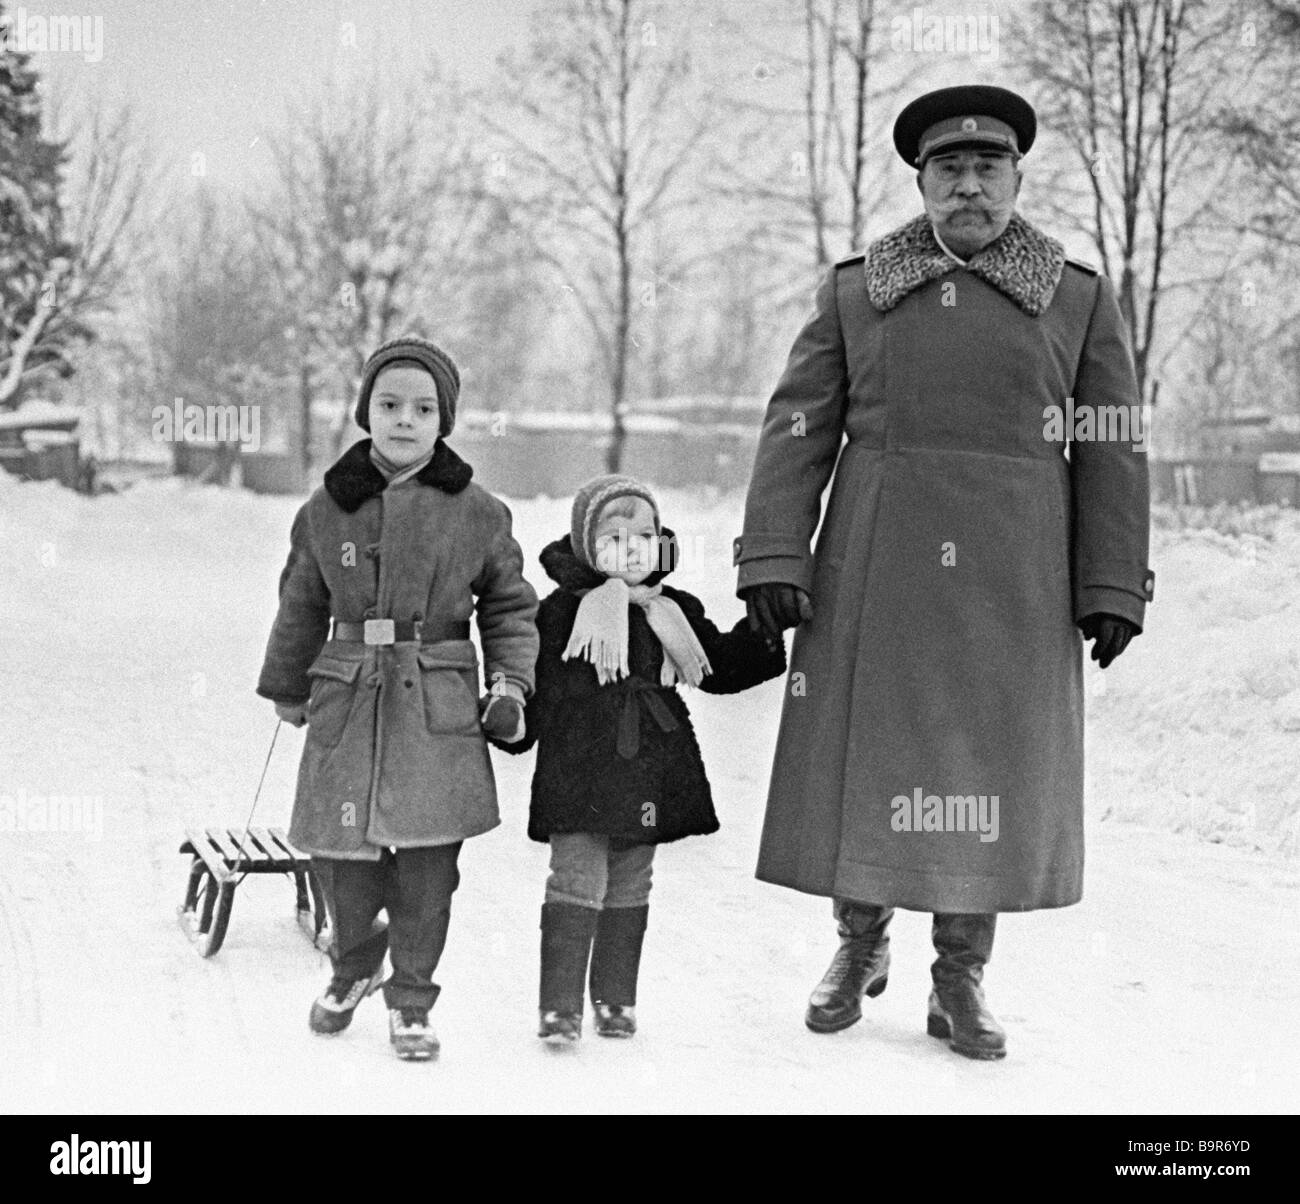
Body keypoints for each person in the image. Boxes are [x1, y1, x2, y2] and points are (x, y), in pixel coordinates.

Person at [734, 84, 1153, 1060]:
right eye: (948, 170)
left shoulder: (1076, 297)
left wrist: (1110, 581)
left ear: (1014, 177)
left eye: (987, 168)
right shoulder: (858, 290)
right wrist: (772, 553)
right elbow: (796, 426)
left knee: (985, 770)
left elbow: (1110, 444)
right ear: (921, 181)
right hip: (876, 565)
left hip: (1016, 577)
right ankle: (856, 944)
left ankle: (958, 978)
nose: (969, 185)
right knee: (868, 751)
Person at [256, 335, 538, 1061]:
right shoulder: (327, 507)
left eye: (422, 407)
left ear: (443, 420)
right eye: (389, 404)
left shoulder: (476, 510)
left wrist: (509, 682)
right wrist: (288, 683)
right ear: (365, 412)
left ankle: (412, 999)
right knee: (338, 854)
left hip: (433, 700)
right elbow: (300, 600)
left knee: (428, 867)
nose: (404, 419)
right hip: (348, 691)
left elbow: (510, 607)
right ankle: (355, 966)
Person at [496, 475, 786, 1043]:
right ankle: (559, 1007)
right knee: (575, 879)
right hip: (578, 770)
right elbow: (540, 682)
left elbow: (715, 666)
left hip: (650, 768)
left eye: (645, 533)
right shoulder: (562, 613)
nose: (633, 545)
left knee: (631, 882)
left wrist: (765, 633)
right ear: (585, 545)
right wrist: (513, 722)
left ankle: (615, 1000)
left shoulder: (671, 609)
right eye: (615, 533)